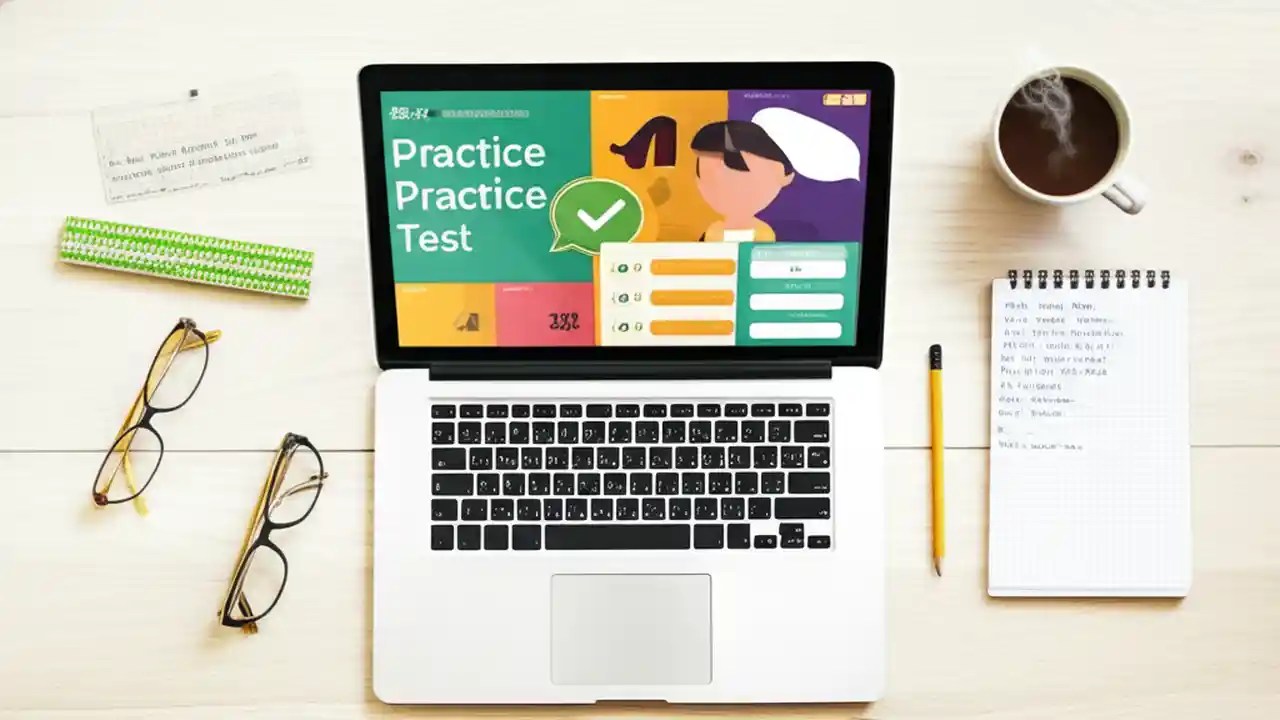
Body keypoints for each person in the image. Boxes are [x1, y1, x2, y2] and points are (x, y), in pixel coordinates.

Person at [690, 121, 794, 242]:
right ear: (699, 182)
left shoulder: (764, 234)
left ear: (784, 177)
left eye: (748, 185)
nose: (734, 192)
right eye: (714, 183)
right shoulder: (712, 233)